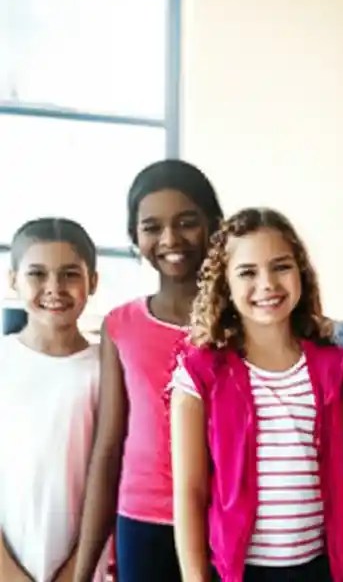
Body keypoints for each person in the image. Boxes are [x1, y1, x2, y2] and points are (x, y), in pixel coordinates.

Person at [170, 207, 343, 582]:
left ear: (301, 273)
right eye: (247, 272)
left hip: (319, 570)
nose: (267, 284)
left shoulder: (336, 371)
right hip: (239, 572)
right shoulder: (198, 375)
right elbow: (190, 494)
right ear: (225, 285)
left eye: (281, 266)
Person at [74, 160, 224, 582]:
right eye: (152, 227)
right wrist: (83, 571)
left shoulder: (240, 322)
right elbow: (108, 450)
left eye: (187, 222)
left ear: (214, 225)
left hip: (228, 517)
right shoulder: (121, 326)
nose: (170, 239)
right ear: (134, 236)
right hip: (143, 522)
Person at [0, 219, 103, 582]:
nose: (54, 288)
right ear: (13, 280)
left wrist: (76, 570)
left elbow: (110, 478)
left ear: (93, 280)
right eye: (37, 274)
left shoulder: (107, 369)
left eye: (69, 274)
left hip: (84, 568)